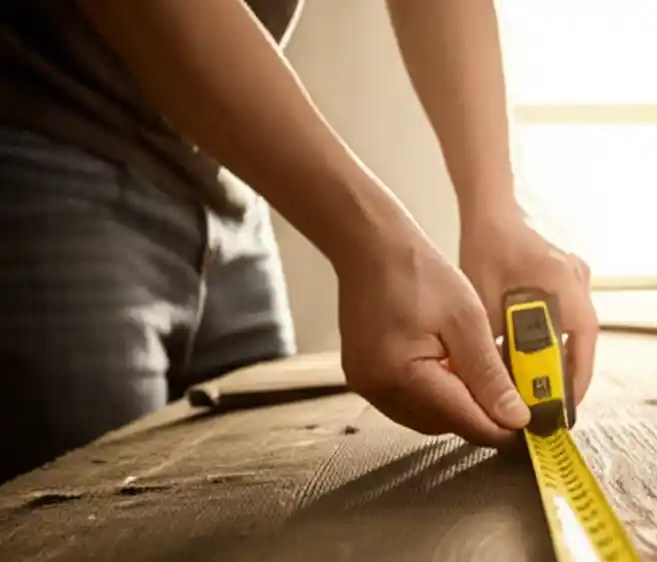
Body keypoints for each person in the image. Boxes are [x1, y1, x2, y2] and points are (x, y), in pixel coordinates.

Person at [0, 0, 598, 481]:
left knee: (253, 530)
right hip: (45, 153)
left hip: (228, 186)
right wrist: (375, 242)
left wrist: (493, 204)